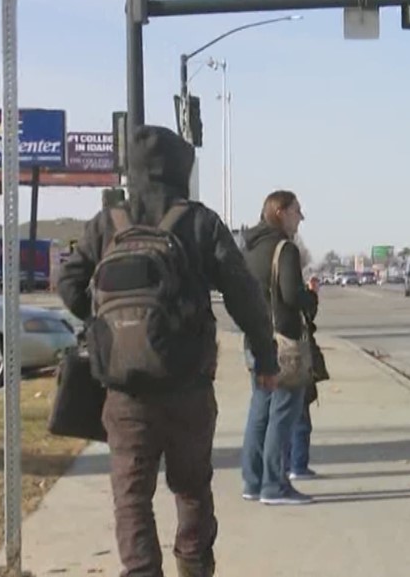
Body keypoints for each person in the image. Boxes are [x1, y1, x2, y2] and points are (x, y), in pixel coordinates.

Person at [57, 124, 281, 577]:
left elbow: (68, 284)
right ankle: (194, 567)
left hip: (124, 391)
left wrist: (109, 329)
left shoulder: (106, 223)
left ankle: (140, 570)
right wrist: (265, 355)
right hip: (188, 386)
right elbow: (245, 295)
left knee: (131, 494)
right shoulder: (199, 222)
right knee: (192, 487)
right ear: (182, 169)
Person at [239, 190, 318, 505]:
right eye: (297, 211)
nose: (301, 217)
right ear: (281, 212)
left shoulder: (249, 249)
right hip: (283, 344)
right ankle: (274, 486)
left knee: (260, 412)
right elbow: (290, 294)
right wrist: (310, 298)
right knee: (283, 414)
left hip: (255, 340)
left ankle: (252, 481)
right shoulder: (285, 249)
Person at [285, 273, 321, 480]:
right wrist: (311, 295)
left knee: (279, 412)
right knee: (298, 414)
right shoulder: (285, 259)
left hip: (270, 348)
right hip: (292, 351)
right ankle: (297, 465)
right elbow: (302, 311)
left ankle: (286, 465)